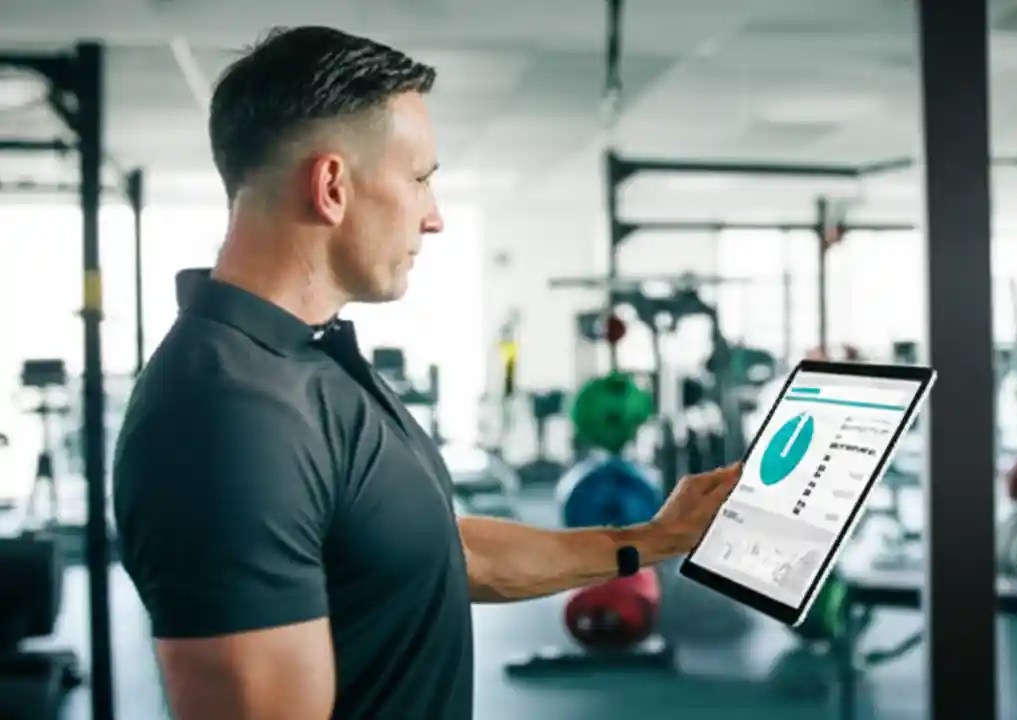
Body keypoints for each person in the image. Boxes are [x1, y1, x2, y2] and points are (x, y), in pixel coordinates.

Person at [111, 26, 741, 720]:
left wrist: (651, 541)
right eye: (418, 180)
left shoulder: (307, 359)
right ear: (331, 186)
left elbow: (429, 550)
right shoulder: (226, 417)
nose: (433, 217)